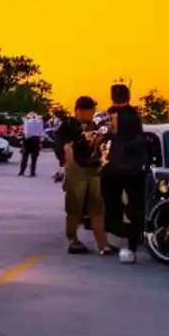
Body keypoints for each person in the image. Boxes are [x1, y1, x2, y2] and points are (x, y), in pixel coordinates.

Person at [57, 96, 112, 255]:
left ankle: (102, 243)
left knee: (97, 208)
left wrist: (98, 140)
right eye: (88, 110)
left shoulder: (97, 125)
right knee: (75, 208)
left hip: (94, 168)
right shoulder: (69, 125)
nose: (90, 113)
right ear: (78, 111)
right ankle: (72, 239)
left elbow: (103, 145)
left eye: (92, 110)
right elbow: (63, 146)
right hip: (77, 169)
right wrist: (66, 161)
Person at [103, 84, 149, 264]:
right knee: (135, 206)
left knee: (111, 202)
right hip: (135, 168)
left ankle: (117, 235)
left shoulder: (112, 114)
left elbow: (111, 136)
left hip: (117, 166)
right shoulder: (135, 116)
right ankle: (132, 241)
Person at [20, 112, 45, 177]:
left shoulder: (27, 122)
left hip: (28, 140)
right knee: (34, 158)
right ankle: (32, 172)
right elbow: (41, 132)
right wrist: (40, 141)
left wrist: (24, 140)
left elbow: (26, 132)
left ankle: (22, 171)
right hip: (36, 140)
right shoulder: (39, 122)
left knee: (25, 156)